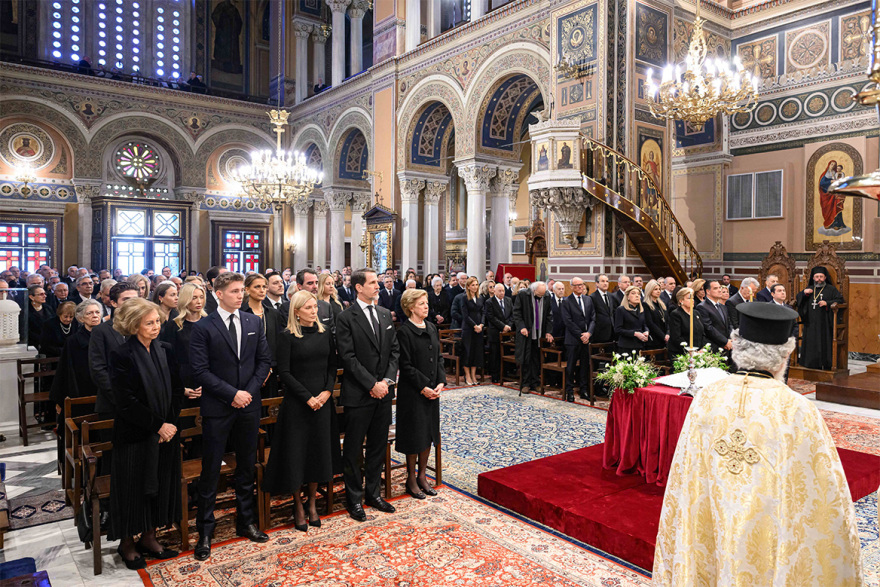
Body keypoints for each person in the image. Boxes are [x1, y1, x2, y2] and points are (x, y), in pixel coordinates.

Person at [653, 302, 862, 585]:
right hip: (766, 534)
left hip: (712, 518)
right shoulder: (795, 408)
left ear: (737, 347)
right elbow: (821, 495)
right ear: (785, 355)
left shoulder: (707, 397)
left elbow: (686, 477)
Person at [190, 272, 272, 561]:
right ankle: (205, 530)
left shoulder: (252, 321)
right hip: (218, 407)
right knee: (211, 468)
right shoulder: (203, 327)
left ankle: (246, 521)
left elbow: (264, 361)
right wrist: (232, 394)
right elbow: (200, 370)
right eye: (235, 291)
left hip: (248, 404)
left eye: (241, 291)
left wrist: (247, 392)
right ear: (219, 294)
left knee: (246, 466)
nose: (240, 295)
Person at [107, 298, 182, 570]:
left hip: (166, 433)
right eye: (149, 323)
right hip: (135, 434)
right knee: (131, 490)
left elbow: (176, 389)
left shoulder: (166, 348)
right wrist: (157, 425)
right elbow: (125, 401)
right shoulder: (121, 354)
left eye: (157, 322)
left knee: (159, 485)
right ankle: (127, 543)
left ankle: (150, 537)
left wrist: (169, 424)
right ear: (133, 325)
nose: (156, 327)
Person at [261, 291, 341, 531]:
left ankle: (312, 502)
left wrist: (327, 392)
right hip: (298, 404)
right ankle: (297, 504)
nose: (314, 311)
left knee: (318, 453)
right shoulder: (287, 337)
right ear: (296, 312)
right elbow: (284, 373)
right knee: (297, 455)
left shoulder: (325, 334)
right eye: (308, 308)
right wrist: (307, 398)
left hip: (322, 402)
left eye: (315, 307)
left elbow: (332, 366)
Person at [335, 268, 400, 521]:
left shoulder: (384, 313)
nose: (378, 286)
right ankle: (354, 498)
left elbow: (394, 351)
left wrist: (386, 381)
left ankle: (373, 494)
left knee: (377, 446)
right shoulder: (346, 317)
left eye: (378, 282)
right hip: (359, 393)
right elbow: (348, 357)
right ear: (359, 287)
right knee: (353, 450)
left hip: (383, 392)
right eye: (373, 282)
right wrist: (371, 384)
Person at [396, 288, 445, 500]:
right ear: (410, 307)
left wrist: (440, 382)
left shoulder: (432, 327)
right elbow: (405, 365)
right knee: (414, 434)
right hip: (413, 392)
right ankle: (411, 479)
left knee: (428, 433)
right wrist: (423, 387)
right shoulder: (404, 331)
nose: (426, 307)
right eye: (422, 304)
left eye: (427, 303)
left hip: (432, 391)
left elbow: (439, 357)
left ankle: (423, 476)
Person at [89, 283, 139, 420]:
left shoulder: (143, 328)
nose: (131, 304)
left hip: (142, 401)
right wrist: (123, 397)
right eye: (126, 300)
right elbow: (98, 369)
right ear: (114, 303)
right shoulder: (101, 331)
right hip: (112, 402)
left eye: (135, 300)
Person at [795, 266, 844, 370]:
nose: (819, 279)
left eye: (821, 277)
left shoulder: (831, 289)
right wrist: (804, 294)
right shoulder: (809, 289)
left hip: (824, 322)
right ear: (813, 278)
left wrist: (827, 303)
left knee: (823, 341)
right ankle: (809, 363)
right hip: (810, 323)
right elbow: (798, 299)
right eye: (817, 277)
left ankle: (824, 363)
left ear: (825, 277)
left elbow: (840, 300)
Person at [241, 273, 282, 398]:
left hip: (270, 370)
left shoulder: (273, 313)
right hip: (246, 371)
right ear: (247, 289)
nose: (262, 290)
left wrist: (268, 368)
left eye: (264, 287)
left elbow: (276, 343)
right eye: (257, 287)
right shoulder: (241, 313)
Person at [513, 281, 554, 395]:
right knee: (526, 358)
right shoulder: (523, 295)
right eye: (539, 294)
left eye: (543, 294)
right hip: (527, 332)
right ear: (533, 290)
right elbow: (517, 313)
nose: (541, 296)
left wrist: (548, 331)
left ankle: (535, 382)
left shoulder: (546, 296)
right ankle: (525, 384)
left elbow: (549, 315)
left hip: (539, 332)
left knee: (536, 359)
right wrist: (522, 327)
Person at [561, 277, 595, 402]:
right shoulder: (566, 301)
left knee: (585, 365)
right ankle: (569, 391)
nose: (580, 287)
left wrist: (589, 333)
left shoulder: (588, 299)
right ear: (571, 287)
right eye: (576, 285)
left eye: (581, 284)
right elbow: (568, 321)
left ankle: (583, 390)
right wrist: (581, 335)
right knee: (571, 366)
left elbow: (593, 318)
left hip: (586, 338)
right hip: (573, 340)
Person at [483, 283, 514, 384]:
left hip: (507, 332)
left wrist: (508, 326)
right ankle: (495, 375)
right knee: (495, 355)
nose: (502, 293)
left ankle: (505, 374)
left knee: (506, 352)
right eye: (499, 291)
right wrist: (502, 326)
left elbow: (512, 315)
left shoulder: (508, 300)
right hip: (495, 332)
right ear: (494, 291)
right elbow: (491, 317)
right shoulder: (489, 302)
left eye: (503, 291)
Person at [696, 280, 733, 355]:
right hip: (713, 347)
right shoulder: (702, 307)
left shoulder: (723, 307)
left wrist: (730, 339)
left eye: (719, 288)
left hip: (726, 347)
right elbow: (708, 328)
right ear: (708, 291)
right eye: (715, 288)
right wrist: (725, 341)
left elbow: (729, 324)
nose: (719, 290)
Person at [666, 287, 705, 359]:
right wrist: (689, 350)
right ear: (681, 300)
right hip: (681, 353)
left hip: (698, 352)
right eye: (689, 298)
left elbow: (702, 333)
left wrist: (701, 348)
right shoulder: (676, 314)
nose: (692, 300)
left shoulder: (696, 313)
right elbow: (676, 337)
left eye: (693, 298)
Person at [460, 277, 485, 386]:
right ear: (468, 286)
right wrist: (474, 325)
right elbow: (465, 315)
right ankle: (467, 375)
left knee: (476, 352)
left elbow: (483, 312)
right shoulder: (464, 298)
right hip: (468, 328)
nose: (475, 287)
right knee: (468, 352)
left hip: (479, 328)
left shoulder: (480, 298)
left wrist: (481, 324)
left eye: (476, 285)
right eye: (473, 285)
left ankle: (474, 375)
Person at [614, 286, 649, 353]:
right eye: (633, 293)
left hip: (640, 345)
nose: (637, 296)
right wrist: (635, 333)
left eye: (638, 294)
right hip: (626, 346)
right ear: (627, 297)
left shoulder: (641, 310)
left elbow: (644, 325)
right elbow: (618, 330)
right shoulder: (621, 309)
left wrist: (646, 331)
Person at [642, 279, 669, 350]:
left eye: (659, 289)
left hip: (665, 338)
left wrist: (668, 333)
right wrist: (663, 336)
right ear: (650, 290)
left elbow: (667, 320)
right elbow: (650, 323)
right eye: (655, 289)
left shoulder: (662, 304)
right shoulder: (645, 304)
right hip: (654, 340)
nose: (658, 291)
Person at [26, 285, 51, 350]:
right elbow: (27, 330)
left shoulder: (48, 308)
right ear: (31, 297)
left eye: (45, 294)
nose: (45, 296)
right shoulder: (26, 311)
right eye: (41, 294)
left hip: (49, 342)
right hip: (33, 344)